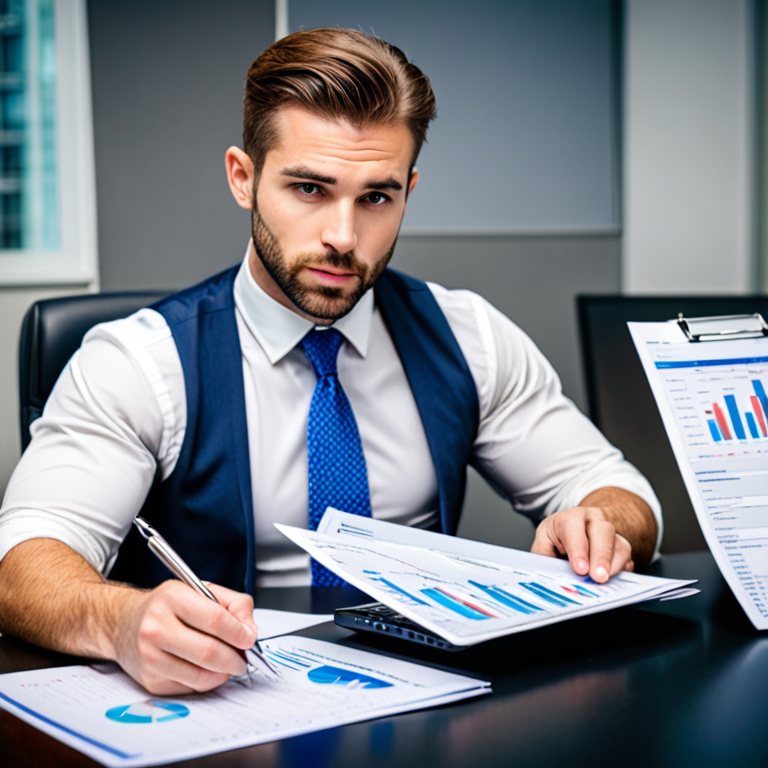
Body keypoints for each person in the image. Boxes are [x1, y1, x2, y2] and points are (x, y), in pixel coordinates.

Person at [0, 28, 660, 695]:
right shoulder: (142, 361)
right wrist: (121, 619)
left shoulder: (467, 335)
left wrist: (601, 527)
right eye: (310, 190)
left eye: (377, 197)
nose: (342, 237)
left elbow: (619, 490)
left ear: (409, 189)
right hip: (226, 711)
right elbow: (22, 562)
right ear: (243, 177)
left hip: (424, 706)